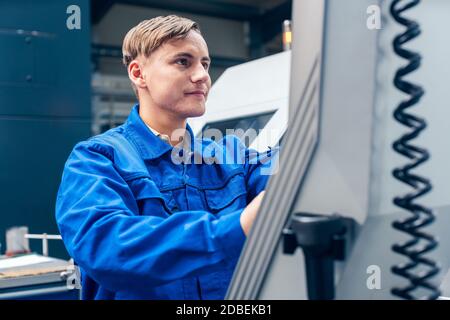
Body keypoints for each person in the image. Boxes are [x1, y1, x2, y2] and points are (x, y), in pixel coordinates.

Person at [55, 15, 277, 300]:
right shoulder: (97, 160)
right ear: (138, 74)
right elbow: (106, 247)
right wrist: (237, 227)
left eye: (205, 64)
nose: (202, 76)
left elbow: (296, 173)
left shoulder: (234, 155)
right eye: (183, 61)